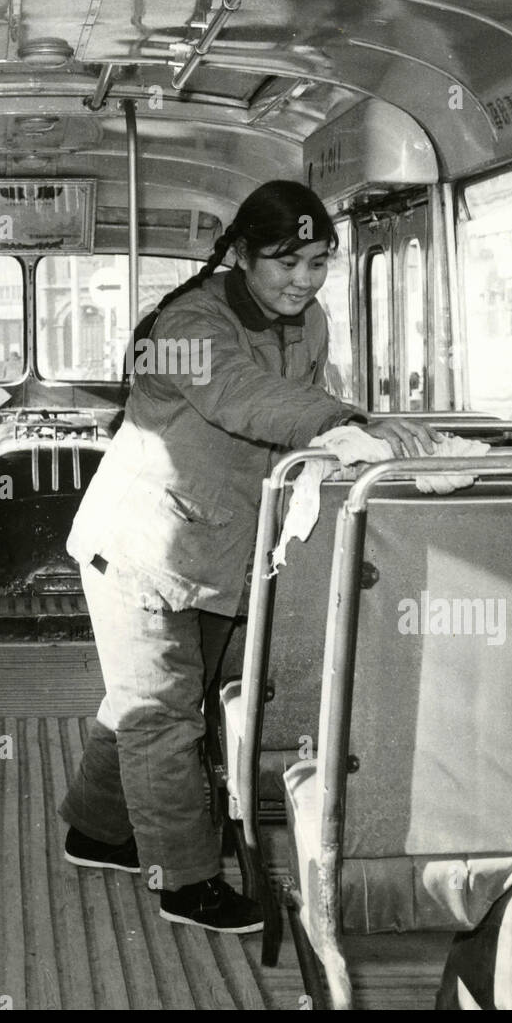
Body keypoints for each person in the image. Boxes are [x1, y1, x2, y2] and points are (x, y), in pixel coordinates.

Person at [58, 180, 440, 933]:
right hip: (142, 545)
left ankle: (96, 832)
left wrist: (344, 441)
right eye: (285, 262)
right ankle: (184, 883)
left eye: (318, 263)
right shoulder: (185, 323)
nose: (303, 280)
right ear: (241, 254)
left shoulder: (311, 321)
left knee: (150, 697)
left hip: (221, 543)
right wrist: (346, 420)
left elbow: (291, 413)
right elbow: (241, 396)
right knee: (164, 714)